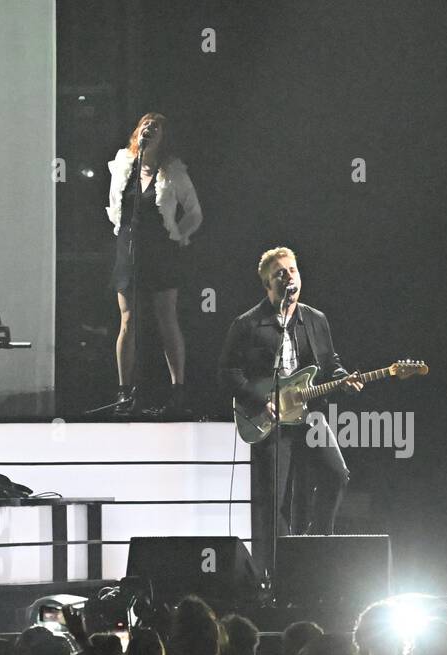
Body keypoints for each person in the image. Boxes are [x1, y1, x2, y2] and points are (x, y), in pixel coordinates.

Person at [218, 247, 363, 573]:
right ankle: (277, 573)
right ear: (268, 285)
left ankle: (316, 545)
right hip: (270, 419)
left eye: (293, 270)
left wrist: (342, 378)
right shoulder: (248, 324)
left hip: (309, 414)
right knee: (274, 501)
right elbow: (228, 372)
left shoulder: (315, 320)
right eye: (280, 273)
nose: (289, 277)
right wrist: (259, 401)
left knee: (336, 474)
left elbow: (330, 363)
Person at [105, 112, 203, 419]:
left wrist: (177, 236)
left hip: (161, 250)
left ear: (163, 137)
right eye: (146, 124)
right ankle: (125, 392)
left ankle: (178, 391)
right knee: (128, 319)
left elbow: (194, 212)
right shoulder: (124, 165)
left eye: (156, 126)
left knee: (166, 318)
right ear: (138, 131)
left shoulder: (172, 172)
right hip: (129, 248)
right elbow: (113, 206)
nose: (150, 128)